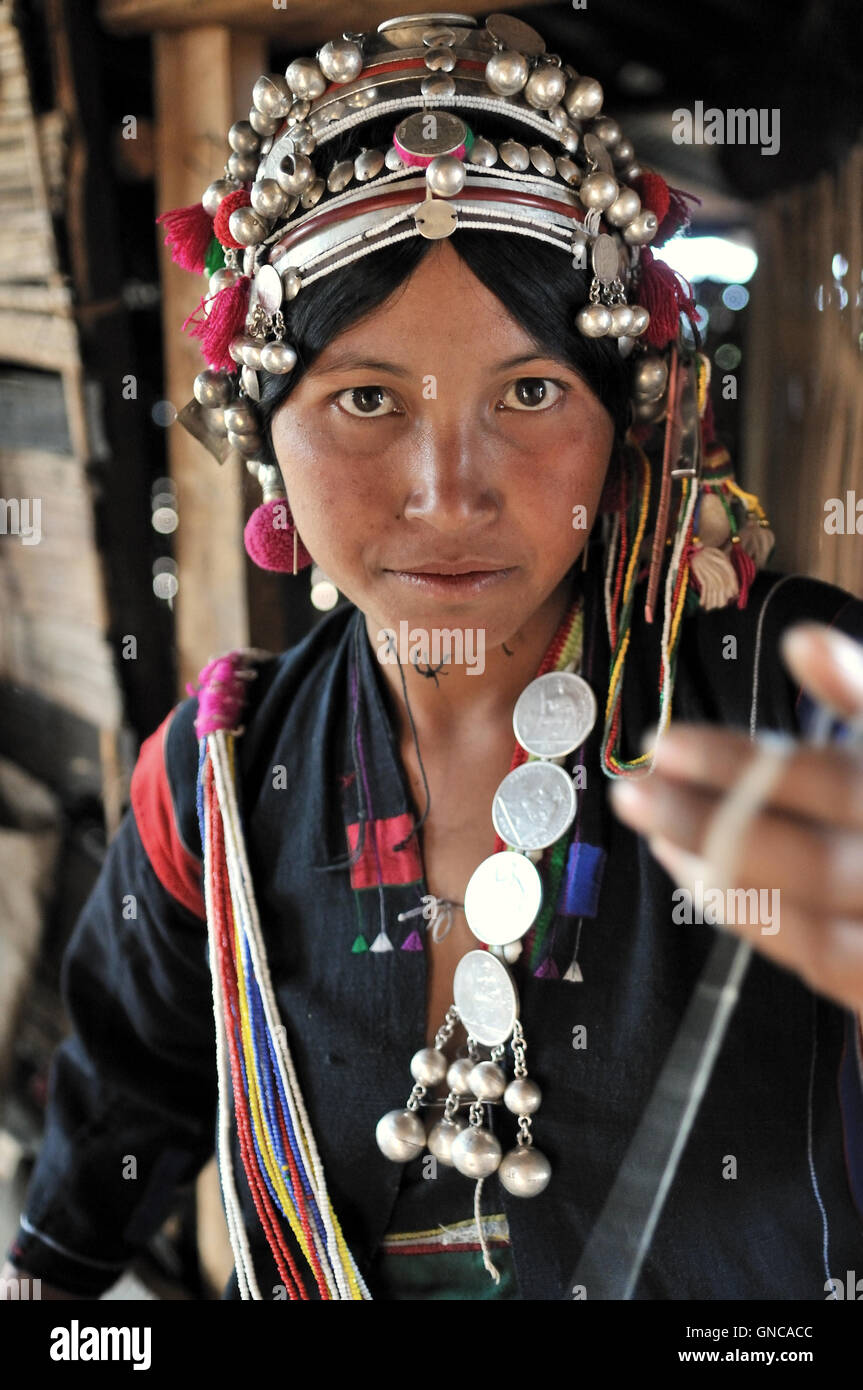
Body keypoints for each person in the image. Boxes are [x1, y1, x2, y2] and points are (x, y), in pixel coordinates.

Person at [3, 11, 862, 1303]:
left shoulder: (792, 704)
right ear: (263, 428)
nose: (447, 492)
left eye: (528, 394)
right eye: (365, 399)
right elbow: (112, 1116)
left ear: (619, 421)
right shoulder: (219, 787)